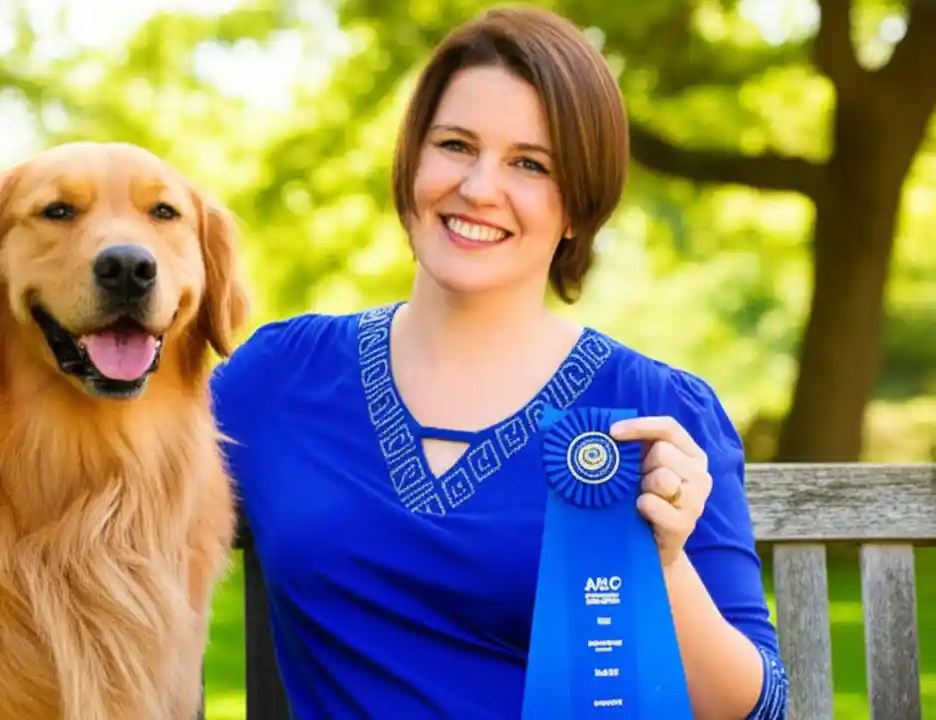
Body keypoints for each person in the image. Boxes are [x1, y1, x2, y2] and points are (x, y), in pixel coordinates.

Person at [210, 6, 789, 718]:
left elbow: (756, 708)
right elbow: (99, 472)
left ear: (578, 206)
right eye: (454, 145)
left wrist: (663, 566)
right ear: (411, 161)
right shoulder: (280, 379)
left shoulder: (655, 413)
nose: (480, 187)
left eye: (530, 163)